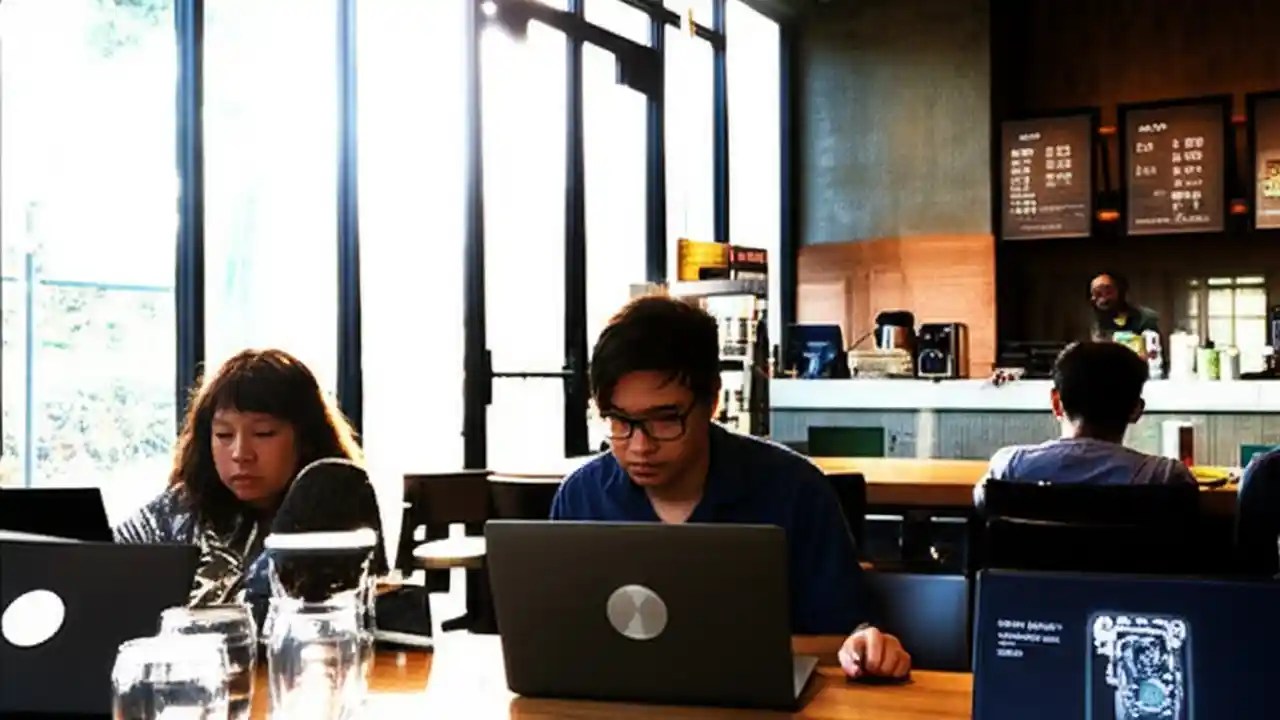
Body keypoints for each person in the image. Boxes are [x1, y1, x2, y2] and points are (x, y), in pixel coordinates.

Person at [551, 295, 911, 680]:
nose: (640, 446)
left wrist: (865, 645)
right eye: (619, 421)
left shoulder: (794, 490)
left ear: (713, 400)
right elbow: (556, 641)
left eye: (665, 419)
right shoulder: (580, 497)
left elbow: (840, 638)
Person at [115, 349, 381, 606]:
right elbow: (102, 565)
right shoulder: (178, 510)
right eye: (224, 435)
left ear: (307, 439)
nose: (240, 454)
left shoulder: (338, 505)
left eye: (263, 433)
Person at [976, 341, 1196, 500]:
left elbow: (981, 502)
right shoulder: (1166, 478)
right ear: (1136, 410)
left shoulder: (1008, 468)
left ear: (1055, 402)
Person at [1089, 271, 1159, 341]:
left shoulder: (1145, 318)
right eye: (1097, 293)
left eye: (1108, 291)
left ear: (1120, 291)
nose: (1103, 299)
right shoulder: (1098, 326)